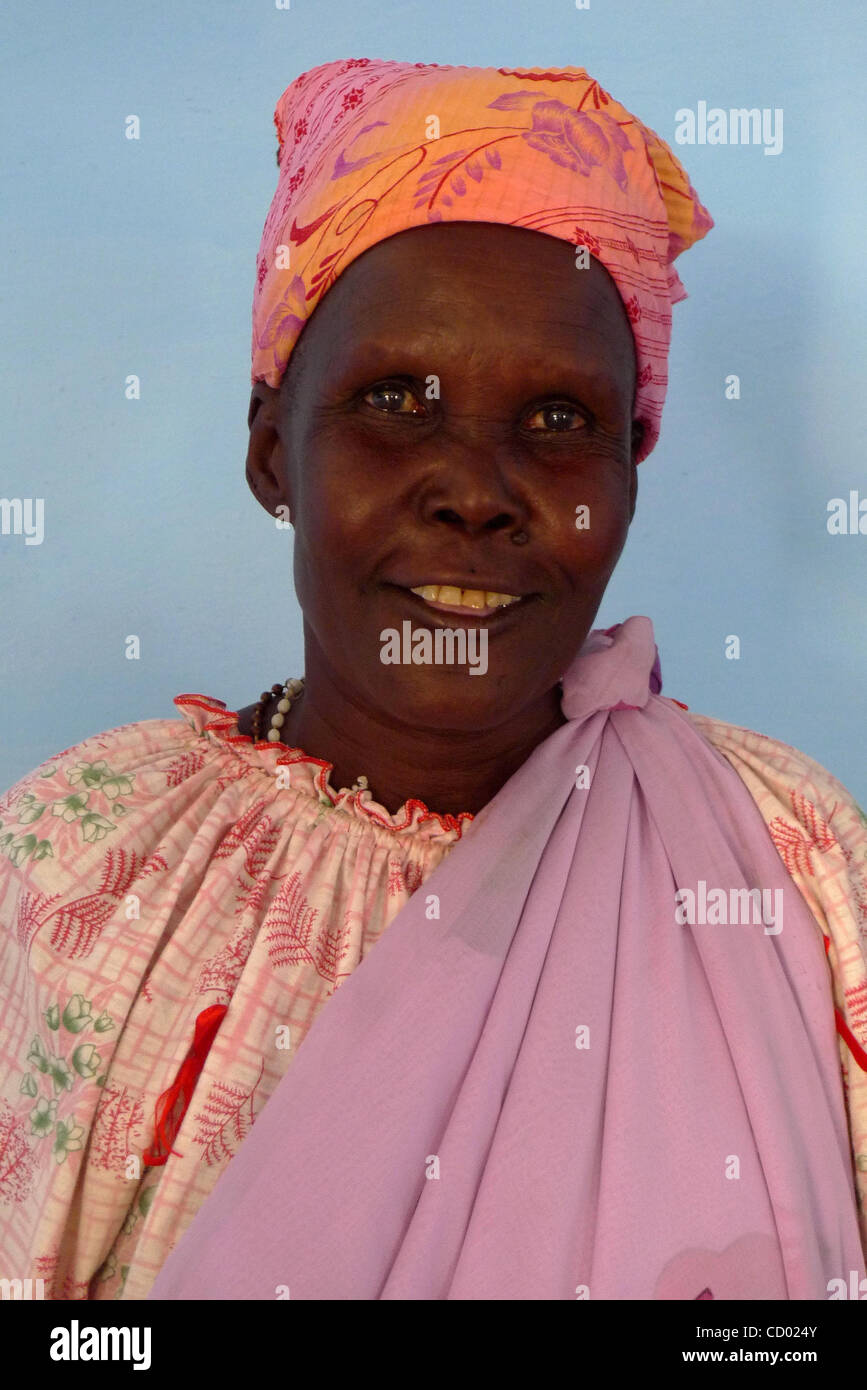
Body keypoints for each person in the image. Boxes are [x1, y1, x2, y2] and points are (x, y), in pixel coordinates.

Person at [1, 58, 865, 1302]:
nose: (475, 488)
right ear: (270, 455)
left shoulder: (793, 861)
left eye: (560, 420)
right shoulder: (82, 870)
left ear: (631, 466)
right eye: (395, 401)